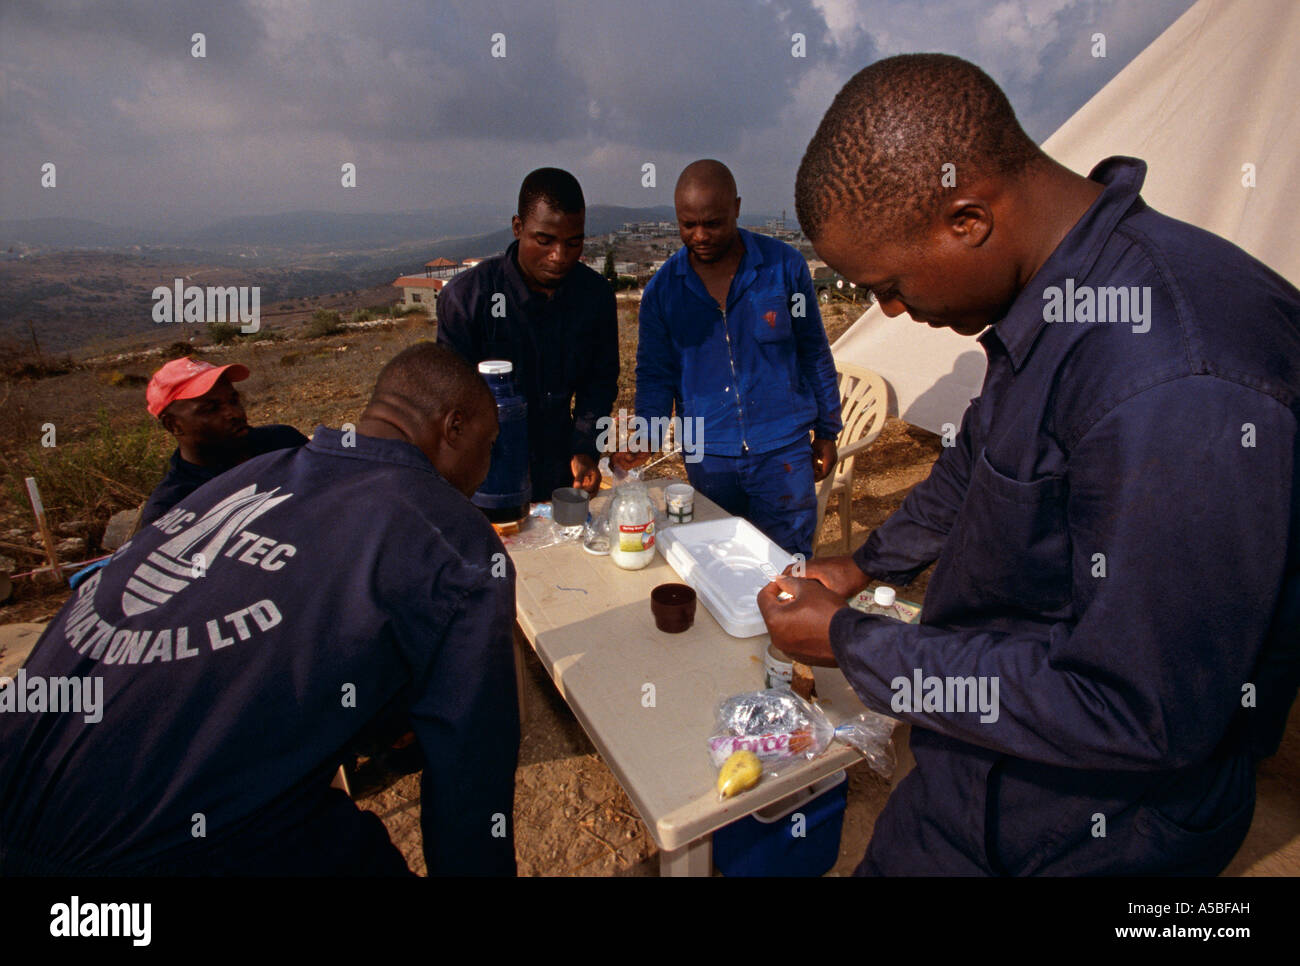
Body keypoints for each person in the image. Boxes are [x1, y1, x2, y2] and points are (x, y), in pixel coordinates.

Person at [758, 53, 1300, 876]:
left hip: (1093, 825)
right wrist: (865, 566)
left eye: (892, 284)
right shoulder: (1058, 296)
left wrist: (856, 643)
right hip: (980, 769)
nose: (892, 310)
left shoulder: (1178, 382)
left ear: (967, 218)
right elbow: (985, 459)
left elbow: (1133, 706)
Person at [0, 342, 520, 875]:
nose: (489, 464)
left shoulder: (248, 477)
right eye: (490, 442)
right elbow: (469, 770)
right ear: (454, 428)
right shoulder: (450, 535)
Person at [617, 160, 842, 558]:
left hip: (783, 453)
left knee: (785, 564)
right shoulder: (662, 293)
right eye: (688, 225)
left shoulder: (784, 268)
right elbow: (655, 375)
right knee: (720, 561)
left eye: (714, 223)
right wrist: (647, 435)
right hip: (709, 457)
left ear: (737, 207)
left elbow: (813, 349)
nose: (700, 236)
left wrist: (827, 430)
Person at [436, 167, 619, 500]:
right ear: (518, 228)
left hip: (560, 475)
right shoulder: (469, 299)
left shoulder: (595, 297)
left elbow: (598, 384)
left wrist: (585, 450)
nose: (559, 256)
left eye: (573, 243)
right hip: (484, 478)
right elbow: (451, 403)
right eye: (544, 241)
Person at [139, 357, 307, 528]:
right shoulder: (173, 508)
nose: (234, 414)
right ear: (173, 425)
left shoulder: (284, 442)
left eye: (234, 400)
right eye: (211, 409)